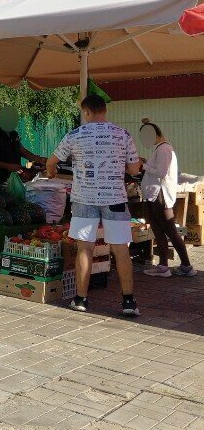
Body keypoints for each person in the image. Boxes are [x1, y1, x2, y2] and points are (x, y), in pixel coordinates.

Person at [46, 95, 142, 316]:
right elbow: (135, 170)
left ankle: (80, 299)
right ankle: (129, 302)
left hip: (83, 199)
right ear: (105, 111)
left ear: (86, 112)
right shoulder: (123, 135)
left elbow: (52, 163)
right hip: (115, 199)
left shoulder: (75, 135)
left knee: (85, 249)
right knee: (120, 249)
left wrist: (51, 173)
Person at [139, 118, 197, 278]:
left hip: (160, 195)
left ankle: (186, 265)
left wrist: (142, 166)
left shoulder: (164, 149)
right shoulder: (159, 149)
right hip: (154, 195)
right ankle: (163, 265)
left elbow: (161, 172)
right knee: (158, 229)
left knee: (170, 230)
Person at [0, 105, 46, 185]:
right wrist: (7, 166)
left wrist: (39, 159)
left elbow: (23, 151)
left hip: (12, 179)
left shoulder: (13, 134)